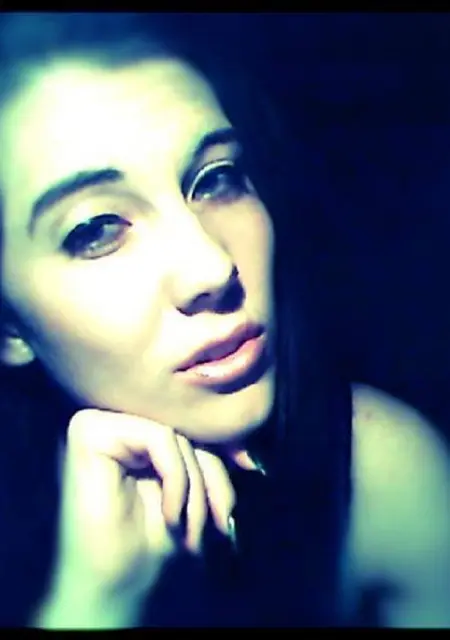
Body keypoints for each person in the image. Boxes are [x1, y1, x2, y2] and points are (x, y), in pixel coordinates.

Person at [0, 13, 448, 628]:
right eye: (97, 229)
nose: (210, 267)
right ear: (8, 327)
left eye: (216, 180)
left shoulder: (381, 478)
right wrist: (94, 603)